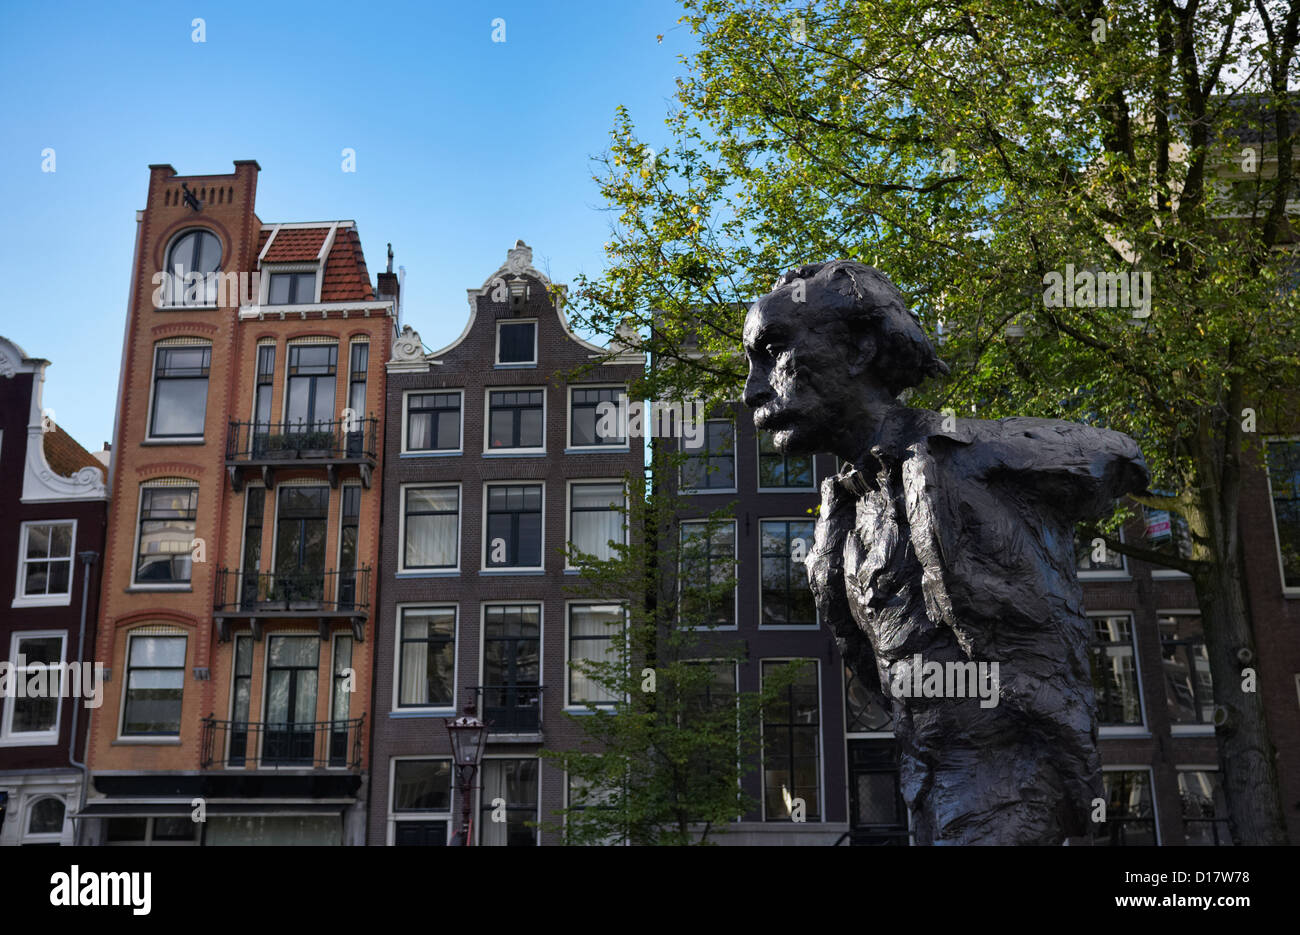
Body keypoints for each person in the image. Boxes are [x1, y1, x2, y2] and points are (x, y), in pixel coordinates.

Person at [742, 260, 1149, 844]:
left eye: (774, 351)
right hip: (926, 788)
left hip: (1014, 789)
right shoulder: (844, 510)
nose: (753, 389)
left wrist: (976, 443)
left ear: (858, 348)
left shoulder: (970, 456)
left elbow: (1118, 455)